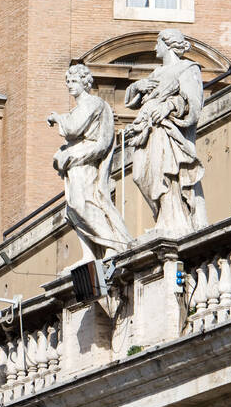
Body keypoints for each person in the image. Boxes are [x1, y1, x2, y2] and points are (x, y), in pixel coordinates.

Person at [124, 29, 208, 237]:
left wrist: (168, 106)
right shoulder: (155, 74)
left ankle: (171, 219)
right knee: (140, 174)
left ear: (168, 44)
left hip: (167, 130)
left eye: (157, 43)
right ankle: (163, 215)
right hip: (149, 130)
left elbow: (193, 102)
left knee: (166, 171)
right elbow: (131, 101)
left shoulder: (187, 69)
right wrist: (138, 85)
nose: (154, 48)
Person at [47, 64, 131, 261]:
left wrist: (58, 118)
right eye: (68, 81)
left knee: (82, 203)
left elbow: (73, 129)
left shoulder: (93, 103)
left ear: (85, 82)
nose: (70, 85)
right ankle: (89, 253)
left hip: (85, 160)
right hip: (74, 162)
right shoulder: (80, 108)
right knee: (72, 210)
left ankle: (111, 243)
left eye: (74, 81)